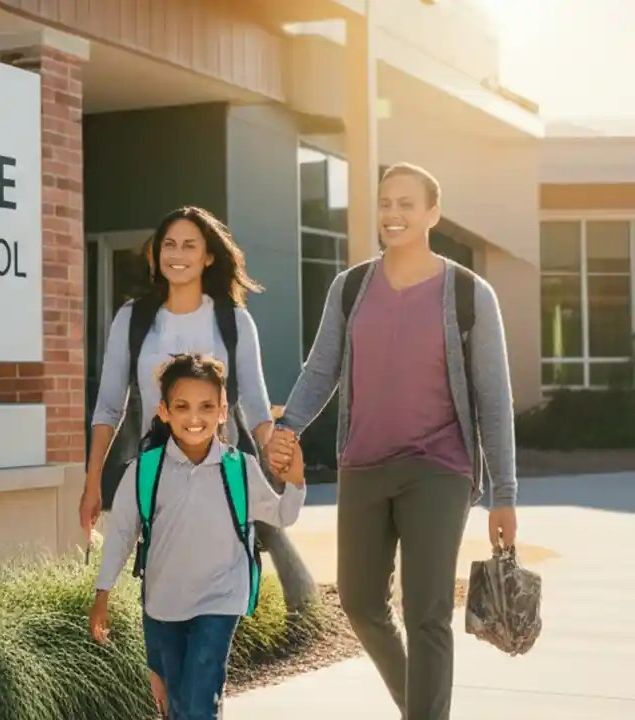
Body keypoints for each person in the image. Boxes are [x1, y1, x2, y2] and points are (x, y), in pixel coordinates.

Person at [265, 162, 519, 720]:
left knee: (427, 610)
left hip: (439, 466)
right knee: (359, 602)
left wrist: (505, 492)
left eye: (406, 203)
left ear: (432, 212)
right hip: (363, 464)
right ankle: (421, 710)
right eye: (385, 203)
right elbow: (321, 368)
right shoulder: (352, 286)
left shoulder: (468, 294)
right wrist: (287, 429)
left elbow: (495, 400)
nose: (393, 214)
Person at [89, 353, 307, 720]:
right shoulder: (145, 471)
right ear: (164, 411)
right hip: (162, 607)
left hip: (220, 601)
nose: (195, 417)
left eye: (207, 406)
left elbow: (283, 515)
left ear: (223, 411)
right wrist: (102, 595)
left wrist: (296, 480)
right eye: (182, 406)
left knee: (198, 703)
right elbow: (121, 536)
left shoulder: (240, 468)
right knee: (176, 705)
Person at [80, 206, 274, 534]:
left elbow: (257, 409)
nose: (177, 254)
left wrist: (277, 473)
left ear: (208, 256)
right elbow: (109, 407)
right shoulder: (132, 319)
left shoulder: (235, 322)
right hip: (157, 483)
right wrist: (92, 482)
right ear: (156, 254)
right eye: (169, 244)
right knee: (161, 581)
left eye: (189, 245)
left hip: (222, 483)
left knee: (223, 581)